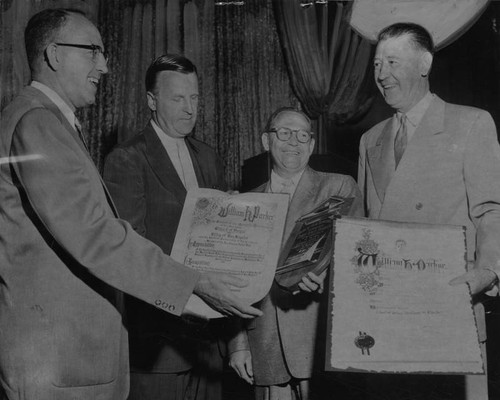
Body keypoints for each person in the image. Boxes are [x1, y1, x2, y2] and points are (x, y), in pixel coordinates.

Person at [0, 8, 261, 400]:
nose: (104, 66)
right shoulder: (38, 121)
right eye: (93, 51)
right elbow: (97, 236)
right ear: (54, 55)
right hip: (61, 359)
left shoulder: (41, 118)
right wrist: (195, 282)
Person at [358, 22, 500, 399]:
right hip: (385, 314)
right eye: (376, 64)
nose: (382, 75)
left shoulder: (471, 123)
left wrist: (486, 271)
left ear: (424, 64)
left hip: (450, 306)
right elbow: (364, 230)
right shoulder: (369, 141)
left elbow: (492, 210)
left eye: (392, 62)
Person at [103, 54, 227, 400]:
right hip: (158, 350)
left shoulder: (209, 157)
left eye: (195, 97)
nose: (190, 109)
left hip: (209, 346)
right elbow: (131, 252)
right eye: (177, 98)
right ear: (151, 101)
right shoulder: (127, 158)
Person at [228, 107, 363, 400]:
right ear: (266, 141)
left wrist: (327, 279)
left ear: (312, 145)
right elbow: (231, 281)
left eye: (303, 135)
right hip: (265, 343)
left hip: (320, 341)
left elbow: (359, 260)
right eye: (285, 133)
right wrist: (238, 344)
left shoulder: (339, 186)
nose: (294, 142)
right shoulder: (245, 204)